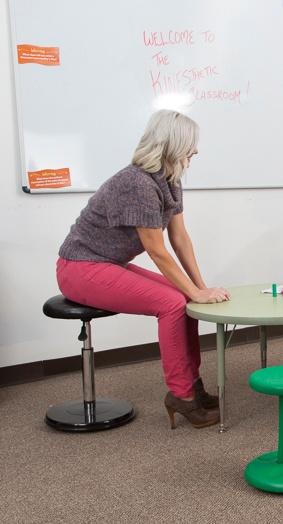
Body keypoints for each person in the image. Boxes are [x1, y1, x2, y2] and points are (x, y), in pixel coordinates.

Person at [56, 109, 229, 430]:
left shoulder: (170, 180)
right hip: (79, 267)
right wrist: (193, 293)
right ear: (172, 146)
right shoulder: (136, 183)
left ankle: (194, 386)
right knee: (173, 303)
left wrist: (200, 289)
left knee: (186, 298)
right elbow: (156, 250)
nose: (196, 151)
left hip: (108, 264)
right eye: (191, 145)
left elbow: (179, 238)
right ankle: (181, 395)